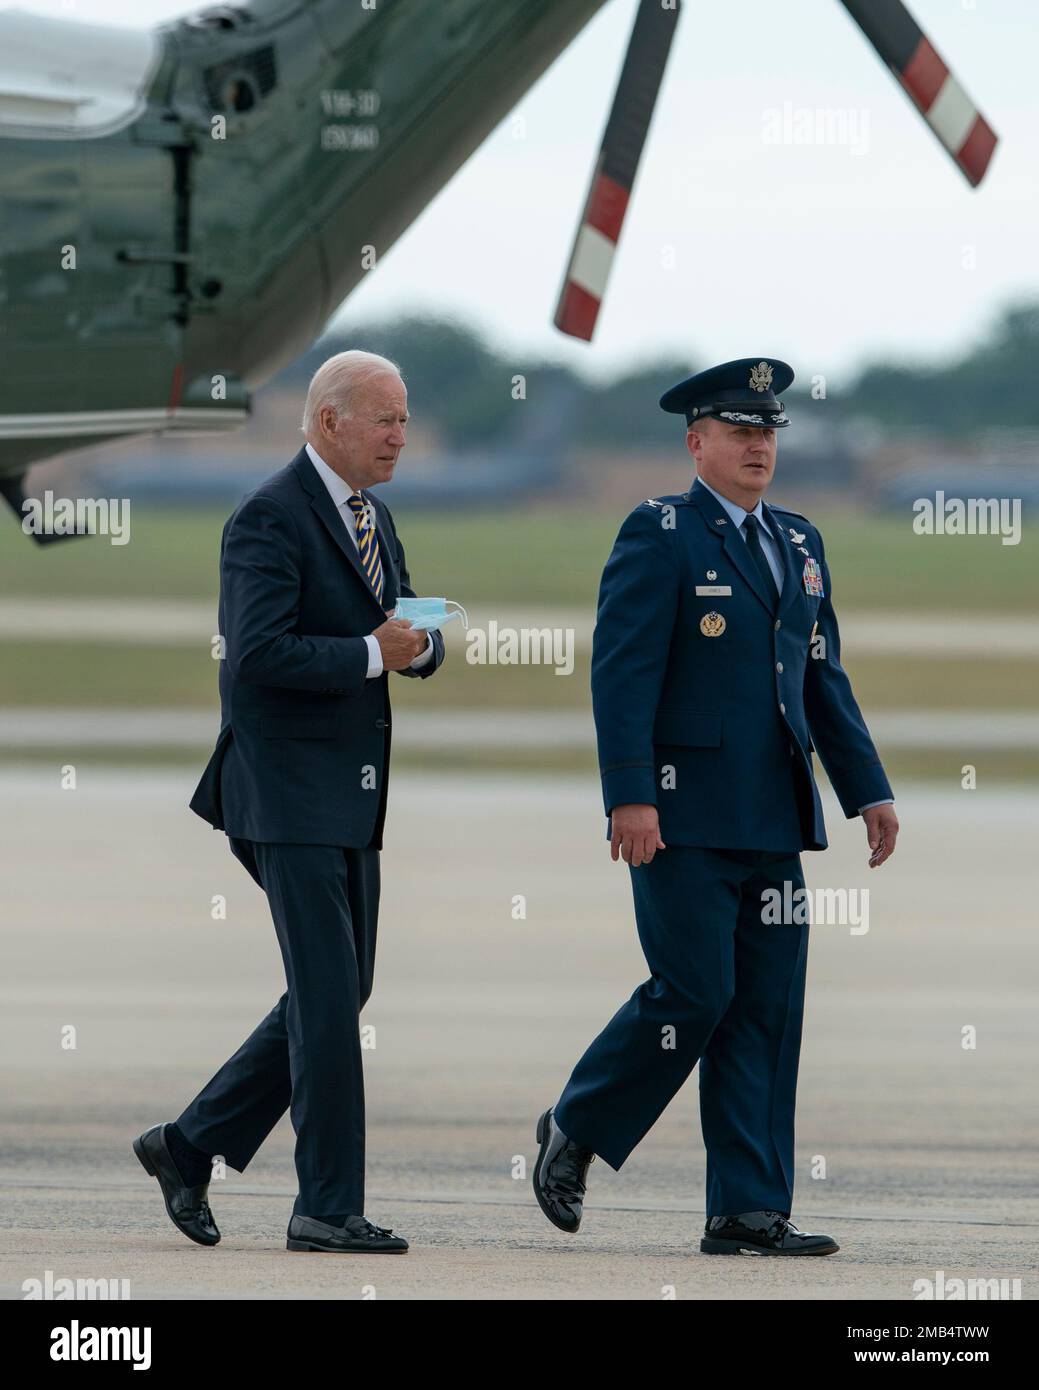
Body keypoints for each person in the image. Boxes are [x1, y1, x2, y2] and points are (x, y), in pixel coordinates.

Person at [533, 357, 898, 1256]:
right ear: (696, 443)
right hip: (680, 814)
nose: (757, 447)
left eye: (767, 432)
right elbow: (621, 674)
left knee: (764, 1013)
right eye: (739, 432)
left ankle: (747, 1210)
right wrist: (628, 795)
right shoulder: (659, 533)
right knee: (694, 994)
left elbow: (821, 677)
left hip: (774, 815)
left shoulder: (799, 542)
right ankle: (575, 1126)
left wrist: (866, 788)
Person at [133, 350, 445, 1254]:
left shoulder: (372, 516)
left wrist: (417, 651)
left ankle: (188, 1145)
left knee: (345, 990)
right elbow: (256, 658)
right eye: (382, 418)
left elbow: (398, 627)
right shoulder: (267, 517)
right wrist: (367, 653)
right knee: (325, 999)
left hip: (350, 791)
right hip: (280, 790)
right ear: (327, 422)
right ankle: (326, 1209)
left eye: (404, 417)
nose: (398, 435)